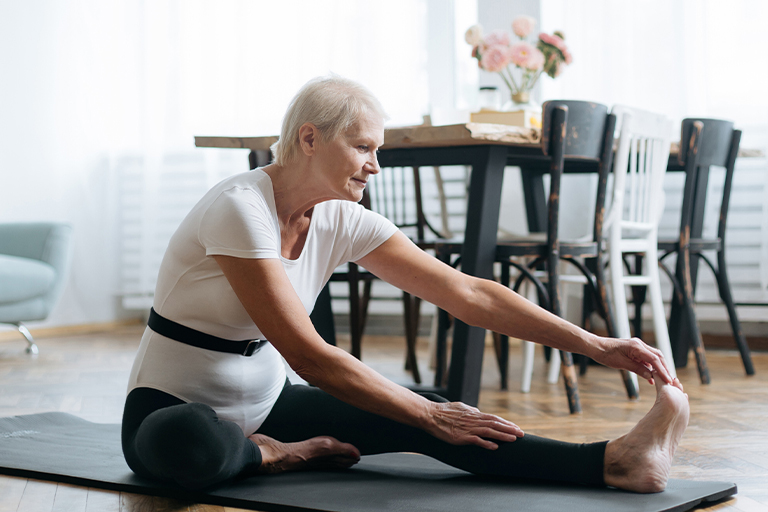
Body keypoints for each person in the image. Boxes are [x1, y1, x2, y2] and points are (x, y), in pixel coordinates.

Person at [122, 75, 689, 493]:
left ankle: (613, 461)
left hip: (268, 405)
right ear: (310, 139)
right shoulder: (239, 208)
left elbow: (469, 294)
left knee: (441, 409)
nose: (375, 166)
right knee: (188, 442)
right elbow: (310, 357)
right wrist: (421, 415)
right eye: (364, 148)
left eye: (378, 151)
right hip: (174, 409)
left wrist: (595, 344)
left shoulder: (342, 217)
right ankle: (274, 458)